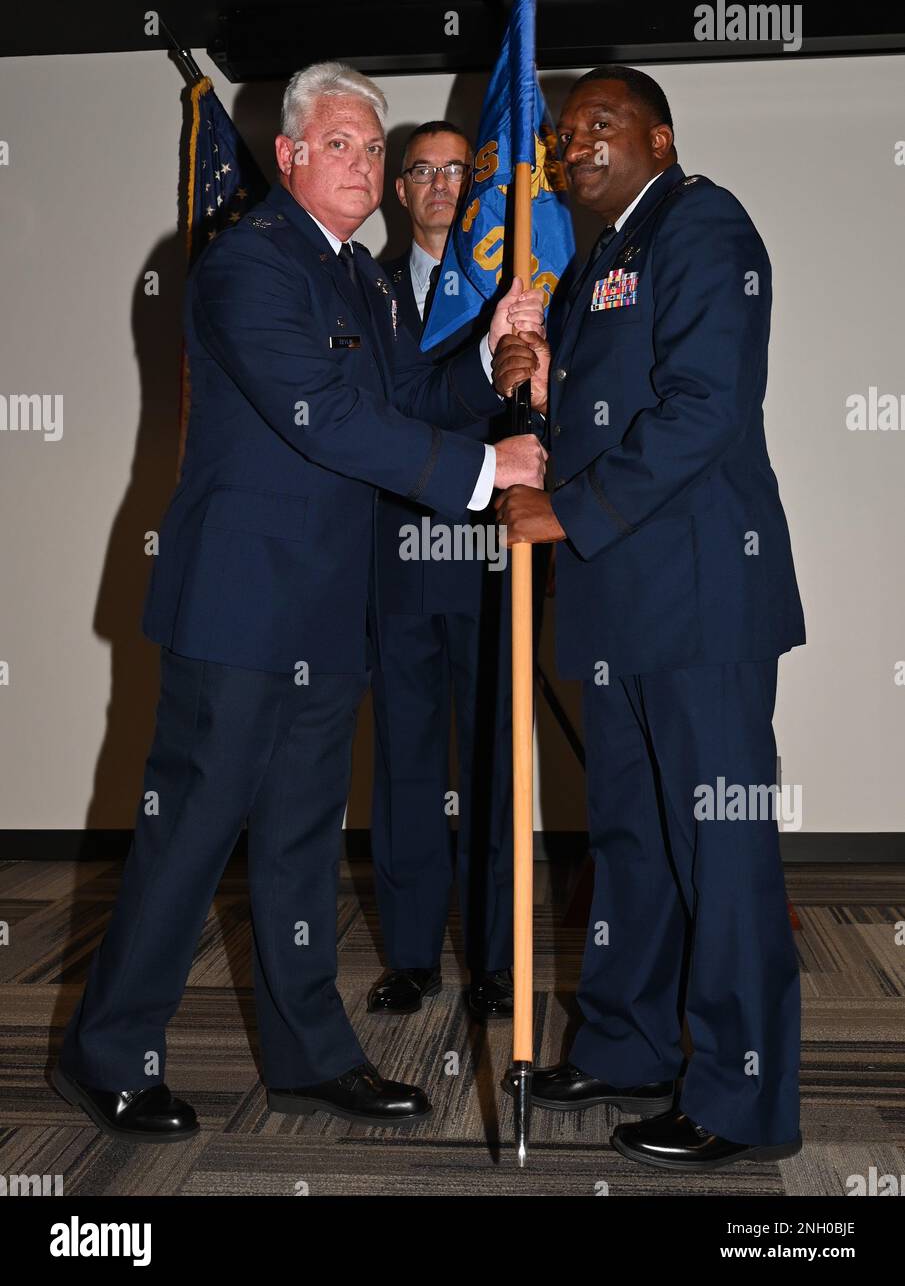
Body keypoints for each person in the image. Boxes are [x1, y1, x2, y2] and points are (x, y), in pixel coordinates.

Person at [52, 61, 546, 1142]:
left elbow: (407, 395)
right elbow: (324, 415)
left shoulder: (363, 280)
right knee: (188, 842)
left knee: (299, 845)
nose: (362, 166)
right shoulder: (248, 266)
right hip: (235, 612)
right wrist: (484, 475)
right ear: (286, 156)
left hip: (326, 615)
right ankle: (108, 1055)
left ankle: (308, 1055)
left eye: (372, 149)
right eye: (338, 145)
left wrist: (488, 350)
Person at [493, 65, 806, 1170]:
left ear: (659, 139)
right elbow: (595, 414)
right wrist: (530, 375)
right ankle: (625, 1044)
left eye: (601, 123)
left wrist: (562, 513)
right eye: (566, 130)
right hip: (619, 604)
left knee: (716, 850)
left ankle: (740, 1100)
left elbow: (703, 409)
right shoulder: (594, 262)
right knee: (628, 843)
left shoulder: (699, 223)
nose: (575, 143)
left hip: (700, 598)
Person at [369, 121, 542, 1021]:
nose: (441, 183)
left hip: (487, 554)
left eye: (456, 169)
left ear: (476, 188)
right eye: (422, 170)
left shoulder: (513, 293)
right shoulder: (368, 289)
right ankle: (409, 955)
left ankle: (494, 958)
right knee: (403, 758)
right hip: (398, 553)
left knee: (492, 759)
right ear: (399, 191)